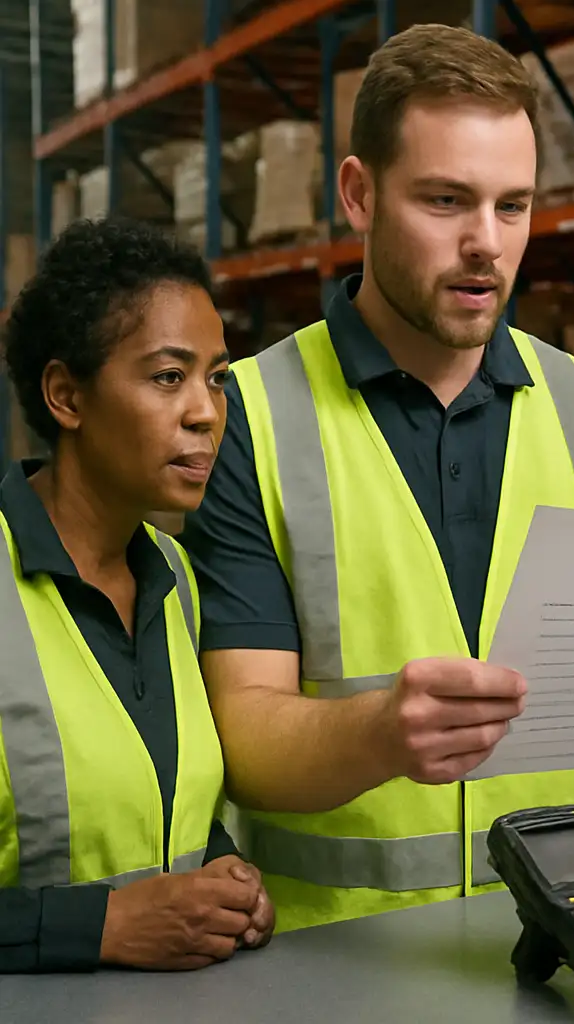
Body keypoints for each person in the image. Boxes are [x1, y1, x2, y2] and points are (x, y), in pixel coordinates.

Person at [177, 24, 574, 933]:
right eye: (445, 201)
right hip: (342, 962)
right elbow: (245, 738)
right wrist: (382, 731)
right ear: (359, 194)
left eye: (514, 207)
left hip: (572, 950)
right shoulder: (252, 422)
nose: (486, 243)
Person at [0, 218, 274, 972]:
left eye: (216, 378)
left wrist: (226, 880)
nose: (206, 411)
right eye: (167, 377)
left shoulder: (175, 580)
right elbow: (117, 904)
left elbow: (166, 809)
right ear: (66, 396)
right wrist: (102, 926)